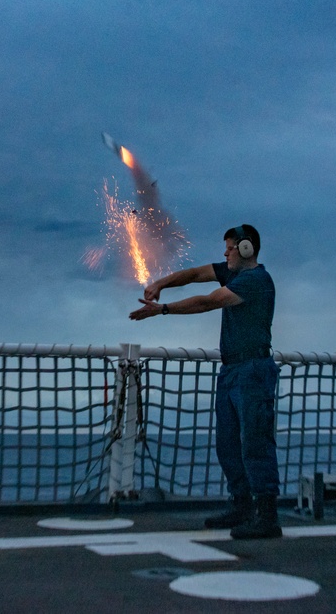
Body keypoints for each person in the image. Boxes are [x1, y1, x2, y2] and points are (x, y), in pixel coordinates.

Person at [129, 224, 282, 539]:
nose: (225, 253)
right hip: (232, 370)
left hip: (253, 370)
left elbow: (208, 301)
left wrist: (163, 309)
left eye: (230, 248)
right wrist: (161, 283)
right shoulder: (233, 273)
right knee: (228, 443)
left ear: (246, 249)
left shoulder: (255, 280)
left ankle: (267, 516)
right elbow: (195, 274)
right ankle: (242, 505)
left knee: (255, 443)